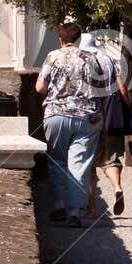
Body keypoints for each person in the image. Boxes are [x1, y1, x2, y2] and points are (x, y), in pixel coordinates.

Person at [37, 21, 100, 229]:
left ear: (61, 39)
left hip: (56, 115)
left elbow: (39, 87)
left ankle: (59, 205)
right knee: (79, 165)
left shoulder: (52, 56)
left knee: (57, 161)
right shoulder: (91, 58)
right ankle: (74, 212)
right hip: (85, 117)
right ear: (78, 39)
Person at [81, 32, 132, 219]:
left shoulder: (81, 60)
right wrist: (127, 108)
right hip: (109, 117)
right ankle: (117, 187)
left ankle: (92, 207)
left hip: (88, 116)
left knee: (87, 163)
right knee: (110, 158)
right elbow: (121, 88)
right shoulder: (108, 60)